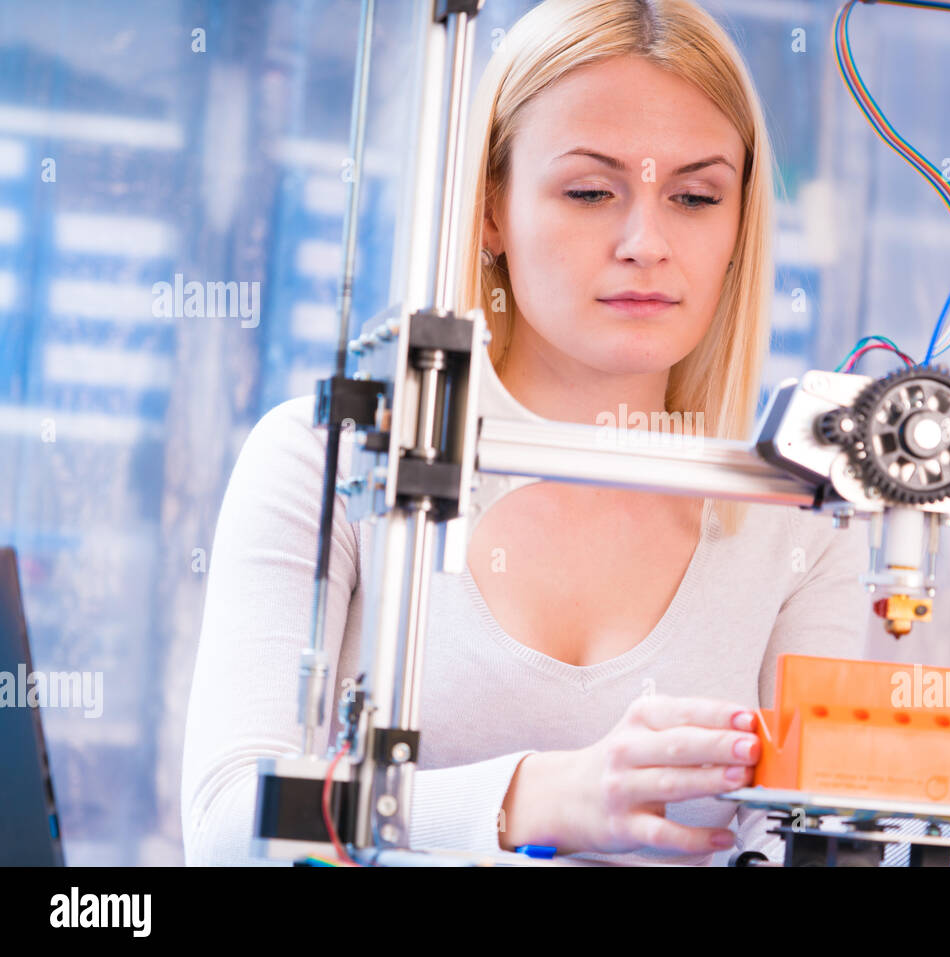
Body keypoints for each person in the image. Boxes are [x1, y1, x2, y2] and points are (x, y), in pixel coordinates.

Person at [181, 0, 871, 867]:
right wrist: (536, 796)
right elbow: (226, 823)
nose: (647, 242)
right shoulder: (331, 459)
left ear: (740, 227)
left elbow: (809, 840)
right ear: (491, 211)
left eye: (695, 196)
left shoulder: (798, 518)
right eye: (590, 191)